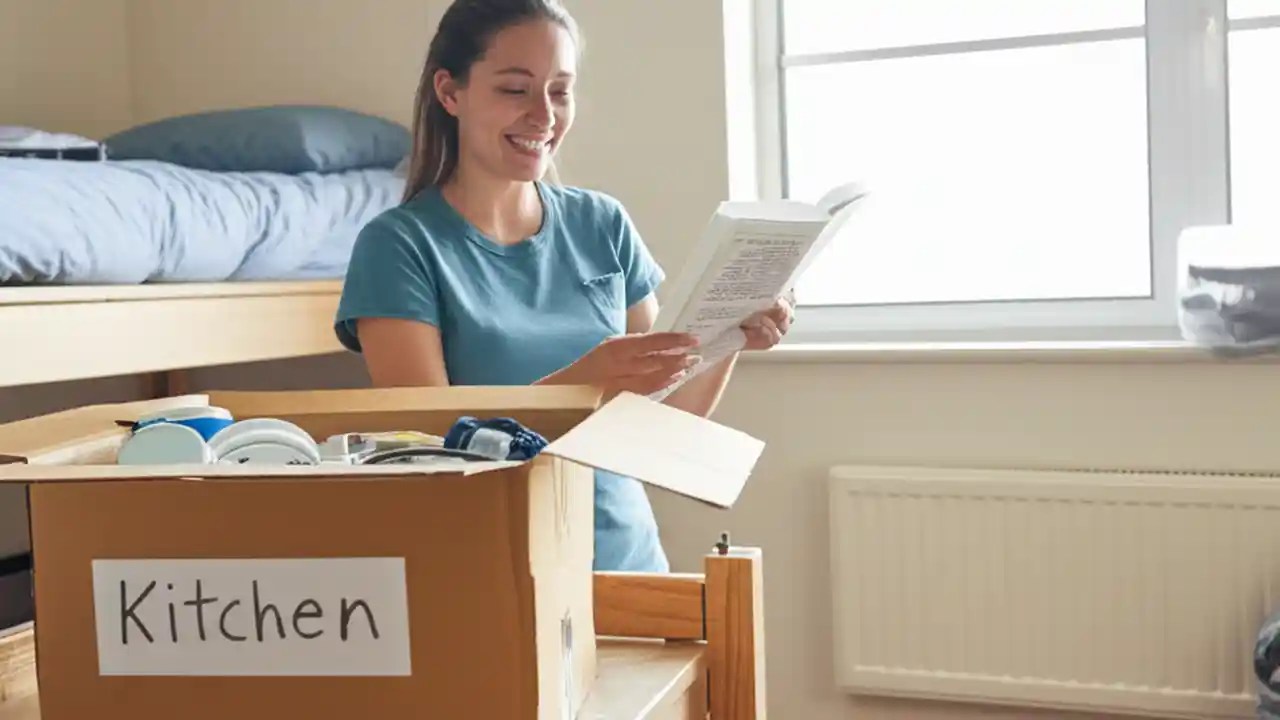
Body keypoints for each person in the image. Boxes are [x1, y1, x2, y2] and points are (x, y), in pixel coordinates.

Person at [333, 0, 794, 572]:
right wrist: (580, 383)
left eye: (560, 91)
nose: (544, 116)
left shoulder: (602, 223)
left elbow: (666, 418)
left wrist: (733, 337)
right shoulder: (398, 246)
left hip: (628, 561)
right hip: (496, 568)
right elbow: (431, 448)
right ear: (450, 93)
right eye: (515, 90)